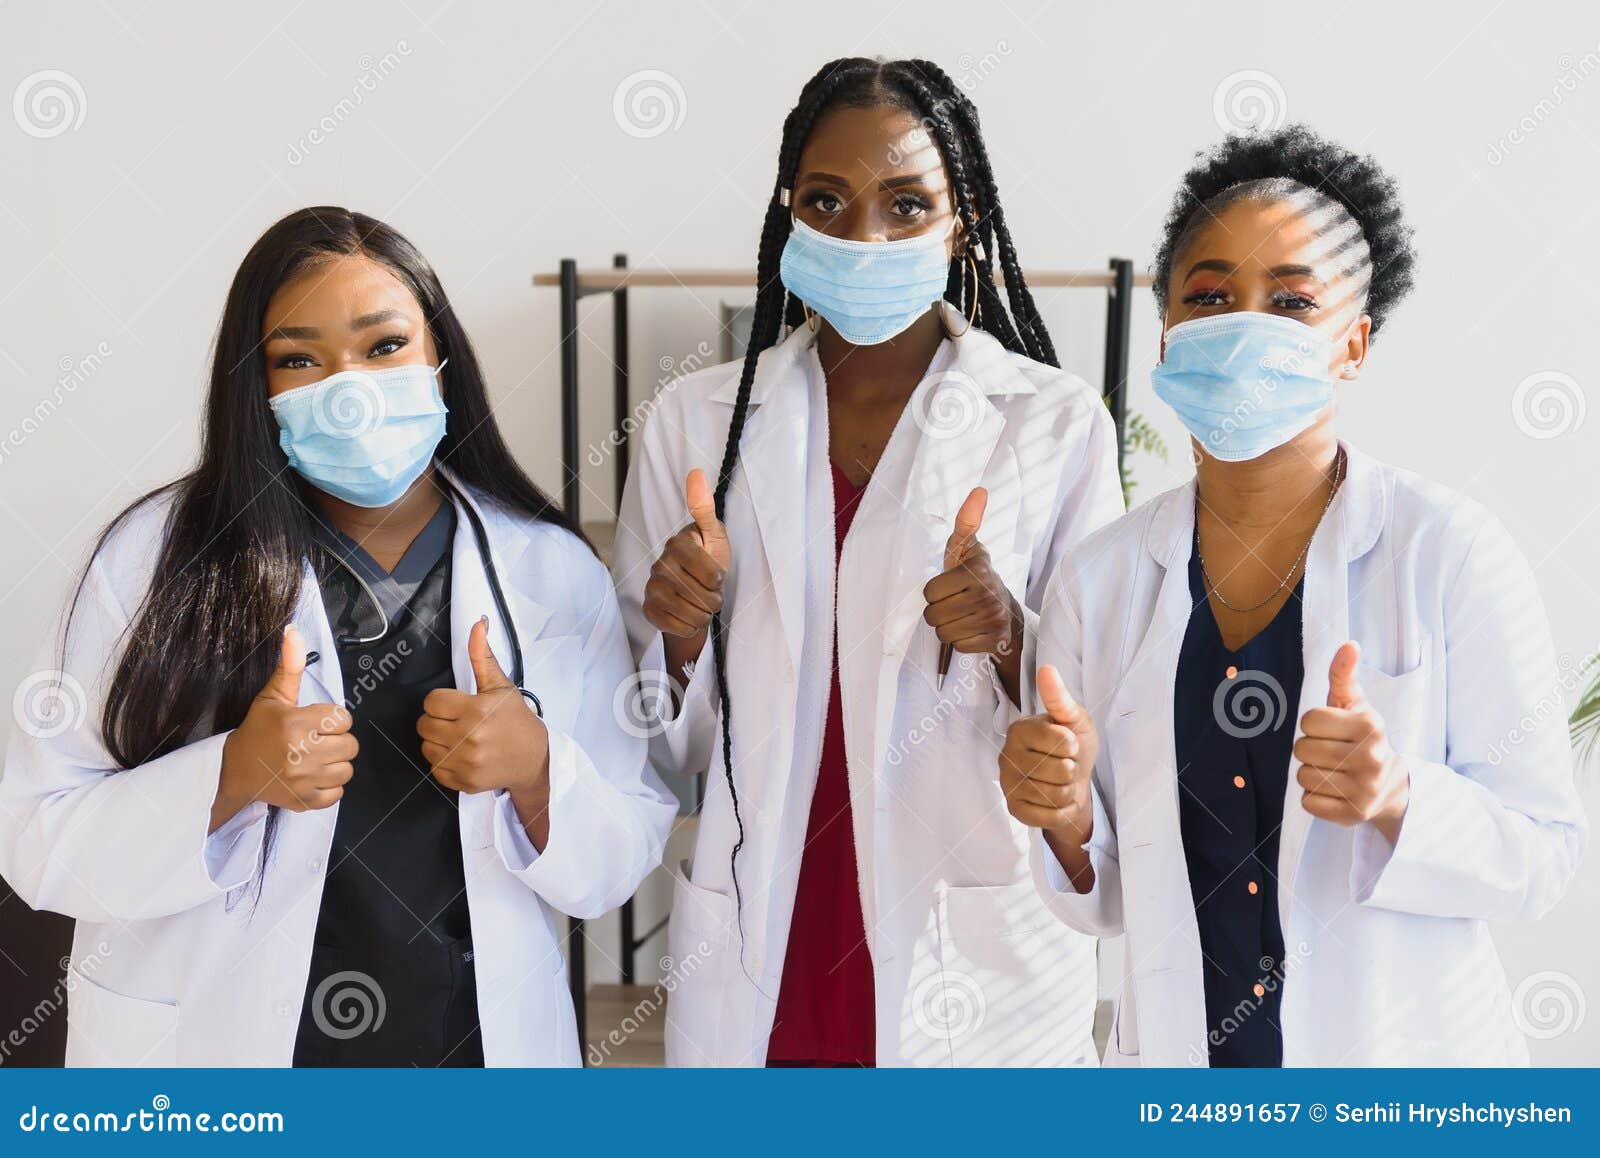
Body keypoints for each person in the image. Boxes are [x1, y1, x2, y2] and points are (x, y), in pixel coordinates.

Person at [0, 207, 676, 1067]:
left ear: (440, 357)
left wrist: (539, 771)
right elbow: (34, 840)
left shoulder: (549, 570)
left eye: (383, 346)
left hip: (469, 1049)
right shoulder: (148, 560)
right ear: (257, 387)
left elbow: (617, 862)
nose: (349, 388)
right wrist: (231, 776)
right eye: (298, 359)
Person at [1002, 125, 1586, 1066]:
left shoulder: (1449, 553)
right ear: (1167, 338)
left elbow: (1543, 854)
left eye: (1291, 302)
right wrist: (1065, 814)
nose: (1245, 325)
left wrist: (1399, 797)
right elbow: (1108, 894)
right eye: (1211, 295)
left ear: (1352, 344)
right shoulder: (1101, 578)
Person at [613, 57, 1124, 1067]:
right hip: (769, 932)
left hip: (969, 951)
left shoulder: (1054, 425)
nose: (865, 237)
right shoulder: (696, 422)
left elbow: (1103, 732)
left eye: (906, 204)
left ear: (962, 216)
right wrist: (675, 635)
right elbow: (647, 752)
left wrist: (1011, 634)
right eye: (826, 201)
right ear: (787, 215)